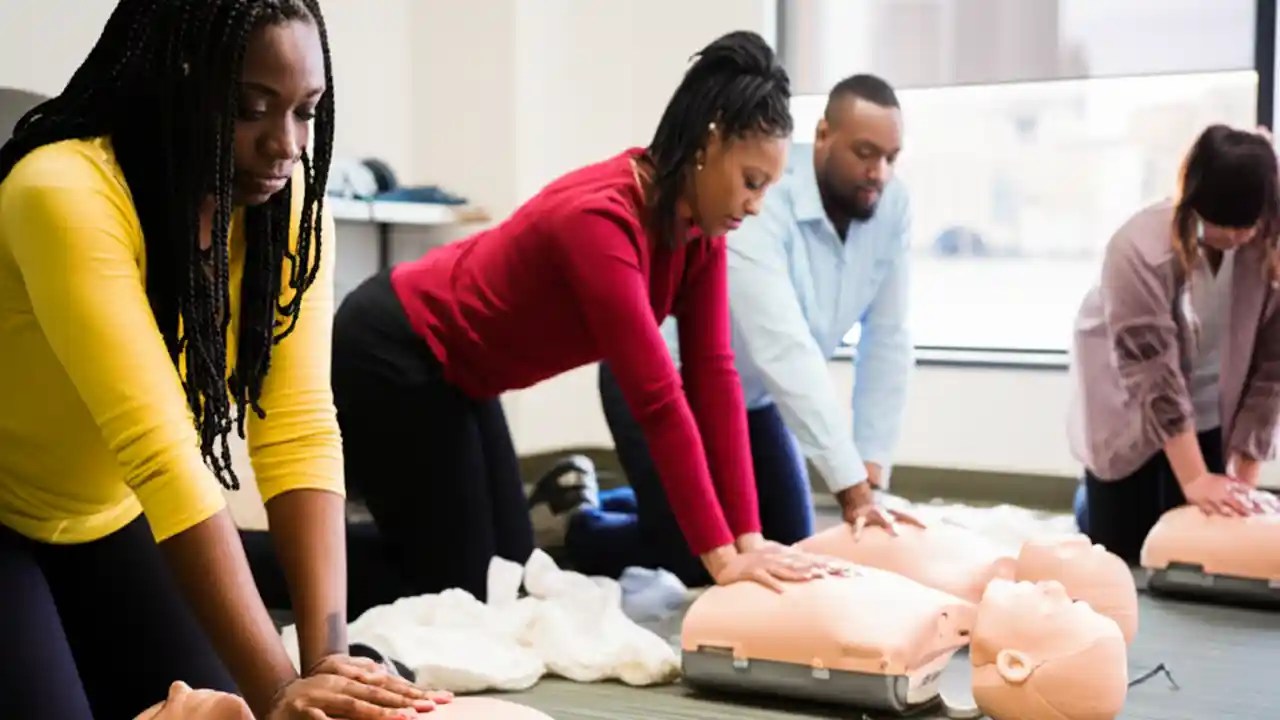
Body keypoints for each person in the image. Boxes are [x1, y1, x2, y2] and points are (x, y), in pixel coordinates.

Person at [0, 1, 440, 718]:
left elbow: (297, 427)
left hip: (105, 520)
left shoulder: (288, 209)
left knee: (224, 710)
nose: (286, 144)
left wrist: (326, 665)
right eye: (250, 109)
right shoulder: (63, 193)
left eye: (306, 111)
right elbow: (161, 453)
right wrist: (279, 690)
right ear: (175, 82)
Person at [330, 30, 834, 601]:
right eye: (751, 182)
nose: (756, 205)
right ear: (709, 140)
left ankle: (390, 542)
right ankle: (274, 562)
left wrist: (750, 539)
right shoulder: (600, 221)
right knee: (462, 589)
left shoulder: (701, 235)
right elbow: (658, 400)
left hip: (465, 374)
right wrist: (720, 560)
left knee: (512, 573)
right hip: (395, 346)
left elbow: (715, 376)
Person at [552, 74, 921, 584]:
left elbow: (889, 338)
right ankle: (575, 520)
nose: (878, 172)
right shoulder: (763, 192)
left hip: (745, 395)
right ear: (822, 135)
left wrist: (872, 475)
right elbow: (783, 346)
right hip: (664, 378)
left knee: (790, 544)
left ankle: (638, 502)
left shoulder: (891, 205)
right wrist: (851, 491)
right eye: (864, 153)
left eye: (890, 157)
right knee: (695, 557)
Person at [1067, 123, 1280, 565]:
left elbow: (1272, 370)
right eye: (1223, 226)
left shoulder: (1268, 244)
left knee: (1201, 544)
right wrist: (1196, 479)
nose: (1238, 238)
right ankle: (1088, 507)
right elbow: (1152, 372)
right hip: (1129, 399)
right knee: (1121, 551)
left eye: (1247, 227)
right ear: (1194, 201)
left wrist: (1240, 484)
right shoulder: (1139, 250)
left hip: (1209, 404)